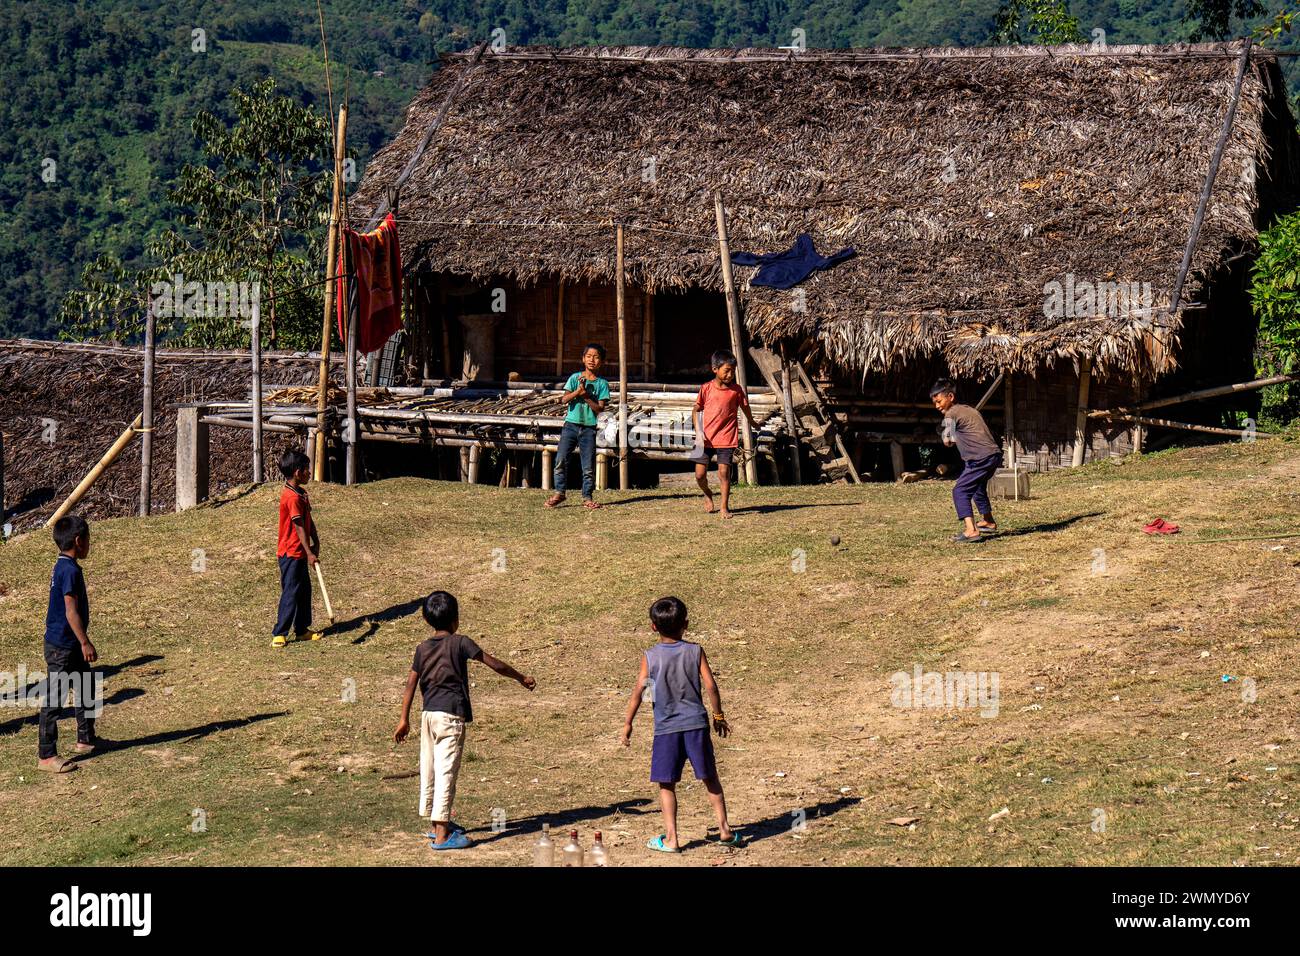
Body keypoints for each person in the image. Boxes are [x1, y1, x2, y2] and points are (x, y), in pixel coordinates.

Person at [393, 590, 536, 850]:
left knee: (430, 769)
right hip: (450, 717)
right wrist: (521, 677)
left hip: (427, 716)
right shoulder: (460, 643)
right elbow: (494, 664)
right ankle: (442, 837)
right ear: (456, 619)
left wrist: (404, 719)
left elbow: (410, 684)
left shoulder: (422, 648)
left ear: (426, 620)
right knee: (446, 771)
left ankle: (435, 825)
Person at [622, 596, 740, 852]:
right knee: (710, 777)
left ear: (653, 627)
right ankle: (724, 830)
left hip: (666, 730)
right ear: (686, 624)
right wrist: (718, 715)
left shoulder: (650, 657)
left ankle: (672, 839)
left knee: (666, 783)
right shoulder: (695, 651)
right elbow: (710, 685)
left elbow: (639, 691)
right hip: (696, 725)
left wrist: (628, 723)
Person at [38, 515, 101, 773]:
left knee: (85, 687)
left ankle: (85, 739)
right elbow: (70, 611)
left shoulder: (64, 565)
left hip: (70, 643)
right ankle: (46, 755)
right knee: (55, 699)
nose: (89, 545)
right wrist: (85, 642)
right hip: (61, 646)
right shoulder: (69, 570)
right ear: (78, 541)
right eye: (88, 540)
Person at [930, 378, 1002, 543]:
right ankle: (988, 521)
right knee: (977, 488)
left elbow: (948, 441)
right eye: (934, 403)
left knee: (960, 491)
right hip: (993, 455)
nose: (937, 406)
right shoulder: (969, 409)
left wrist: (943, 435)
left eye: (939, 401)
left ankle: (971, 530)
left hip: (980, 458)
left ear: (950, 397)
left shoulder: (950, 414)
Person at [691, 349, 757, 519]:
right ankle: (707, 493)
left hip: (726, 438)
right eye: (726, 370)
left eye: (732, 371)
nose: (730, 374)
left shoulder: (736, 390)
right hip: (704, 439)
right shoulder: (706, 388)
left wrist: (753, 422)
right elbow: (696, 410)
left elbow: (745, 408)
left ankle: (724, 508)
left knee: (724, 473)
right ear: (715, 369)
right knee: (699, 475)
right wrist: (698, 431)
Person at [546, 343, 610, 510]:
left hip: (588, 428)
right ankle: (560, 493)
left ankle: (587, 497)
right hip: (570, 425)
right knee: (560, 460)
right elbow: (564, 399)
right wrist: (578, 391)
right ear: (583, 359)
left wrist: (586, 396)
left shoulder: (602, 384)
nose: (592, 360)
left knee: (588, 465)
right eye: (588, 356)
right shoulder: (575, 378)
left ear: (601, 362)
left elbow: (600, 409)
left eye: (596, 357)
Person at [272, 448, 321, 647]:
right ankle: (279, 633)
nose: (310, 472)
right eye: (307, 469)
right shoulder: (290, 497)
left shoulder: (302, 494)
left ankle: (301, 629)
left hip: (301, 551)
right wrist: (309, 552)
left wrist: (315, 541)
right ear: (297, 472)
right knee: (291, 591)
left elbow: (309, 520)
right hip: (290, 552)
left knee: (304, 591)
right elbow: (298, 525)